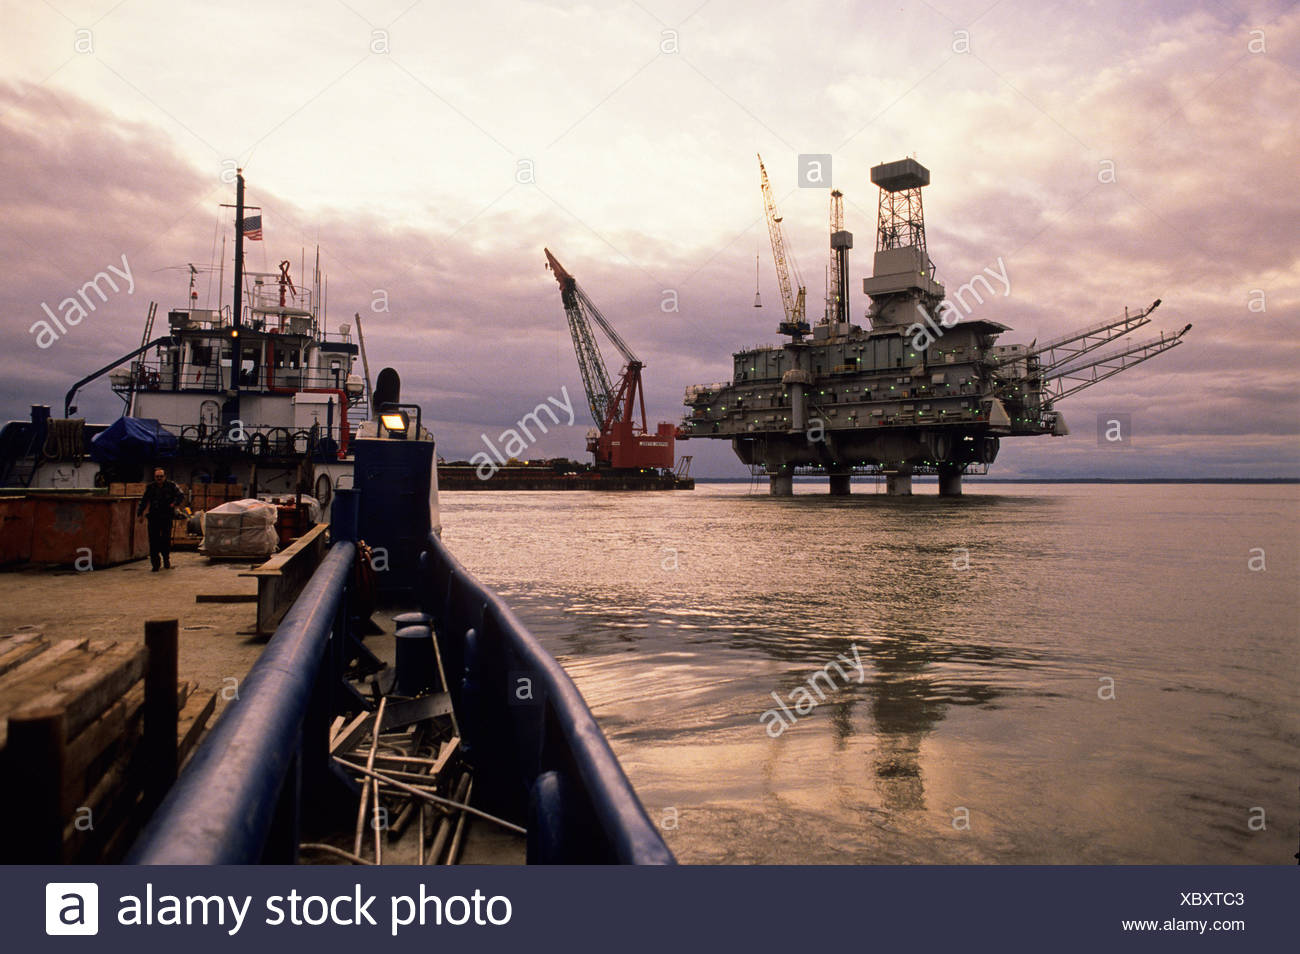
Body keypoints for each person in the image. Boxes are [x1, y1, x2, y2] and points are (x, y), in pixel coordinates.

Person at [138, 467, 184, 571]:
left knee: (165, 540)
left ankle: (166, 559)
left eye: (161, 476)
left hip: (166, 517)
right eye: (157, 476)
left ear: (165, 477)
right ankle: (155, 564)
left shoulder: (171, 486)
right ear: (154, 477)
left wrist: (174, 504)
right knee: (153, 541)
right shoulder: (150, 487)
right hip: (154, 517)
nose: (159, 478)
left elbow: (181, 495)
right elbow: (144, 500)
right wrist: (140, 513)